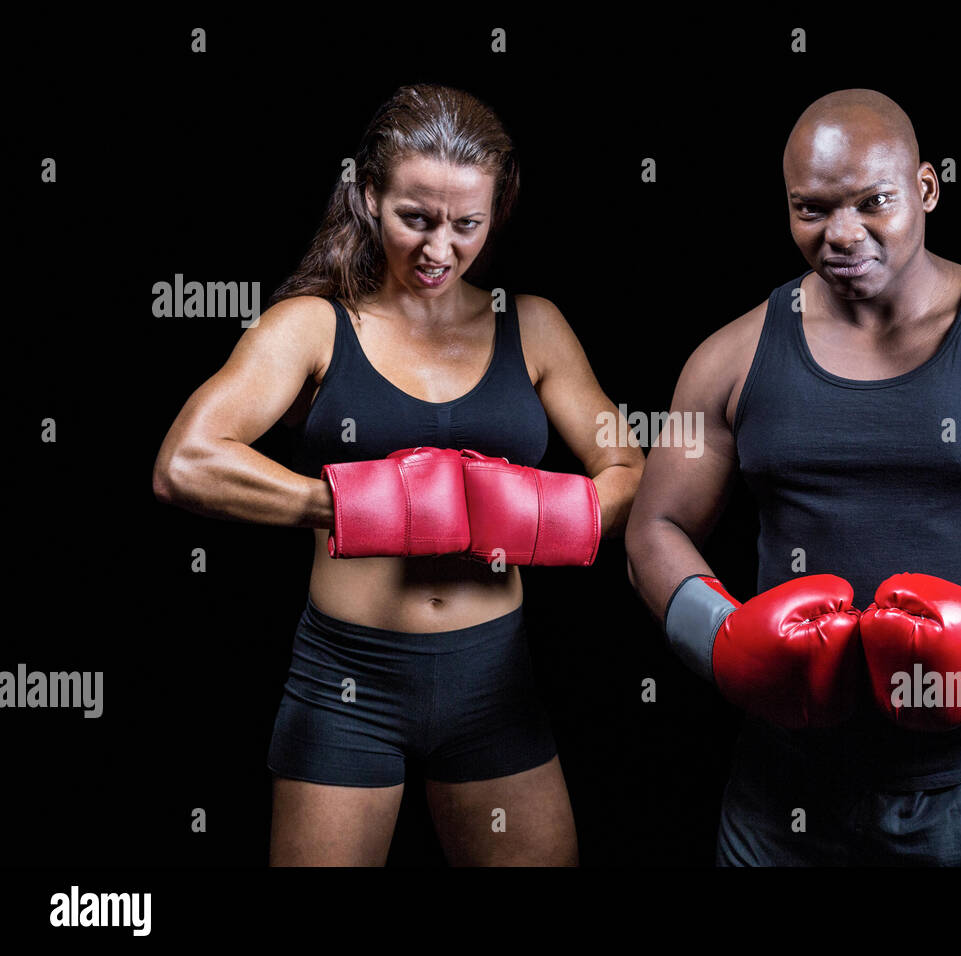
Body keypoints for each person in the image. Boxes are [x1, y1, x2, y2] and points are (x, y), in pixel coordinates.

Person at [625, 89, 961, 866]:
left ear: (926, 189)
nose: (842, 234)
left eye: (872, 202)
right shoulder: (733, 356)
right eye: (811, 210)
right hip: (783, 798)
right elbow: (654, 529)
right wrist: (722, 643)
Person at [153, 84, 643, 866]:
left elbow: (626, 466)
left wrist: (556, 514)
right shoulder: (314, 326)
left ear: (496, 212)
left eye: (466, 224)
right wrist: (351, 506)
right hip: (348, 684)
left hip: (495, 683)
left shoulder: (535, 325)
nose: (439, 249)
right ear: (369, 194)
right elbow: (185, 463)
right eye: (415, 218)